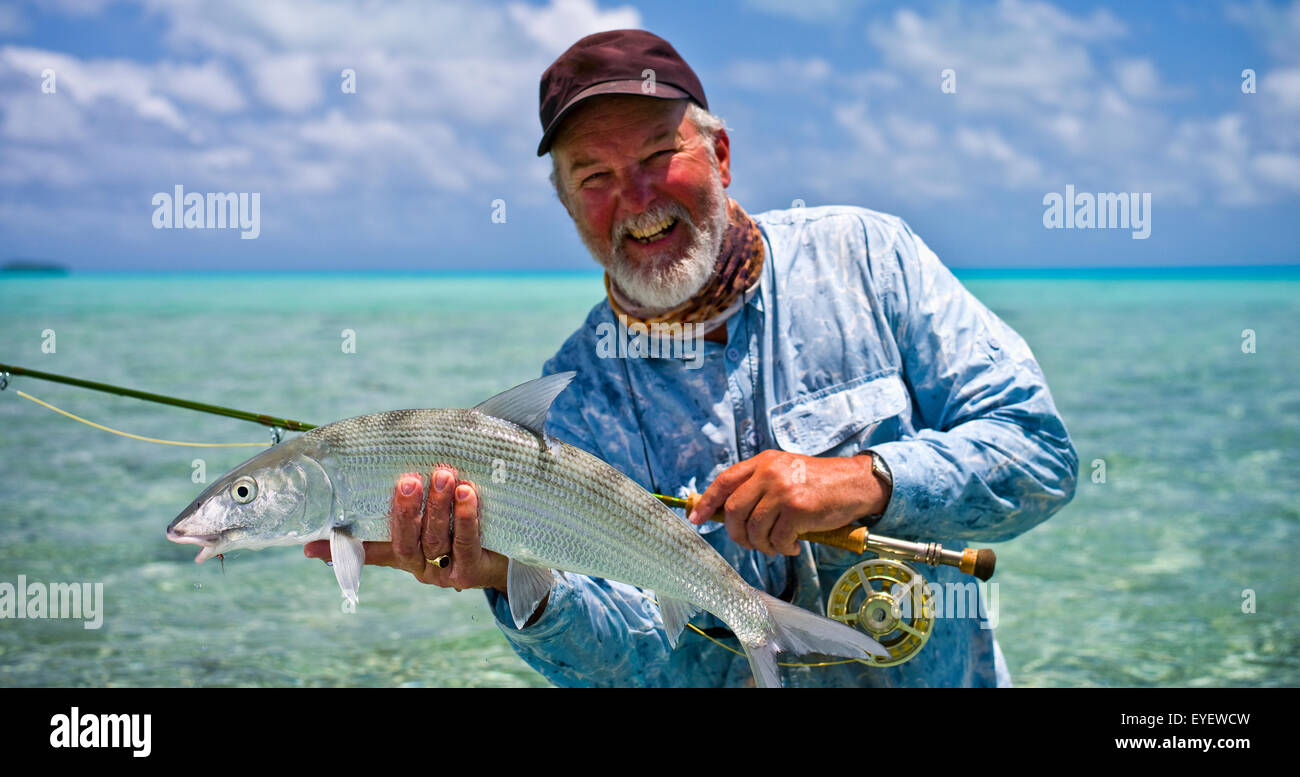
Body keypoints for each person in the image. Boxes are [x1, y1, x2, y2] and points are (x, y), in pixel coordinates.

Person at [305, 30, 1078, 687]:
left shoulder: (869, 257)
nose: (636, 198)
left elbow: (1041, 457)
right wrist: (509, 576)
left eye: (656, 154)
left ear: (721, 155)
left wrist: (868, 480)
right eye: (596, 177)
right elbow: (640, 658)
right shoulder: (576, 402)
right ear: (567, 206)